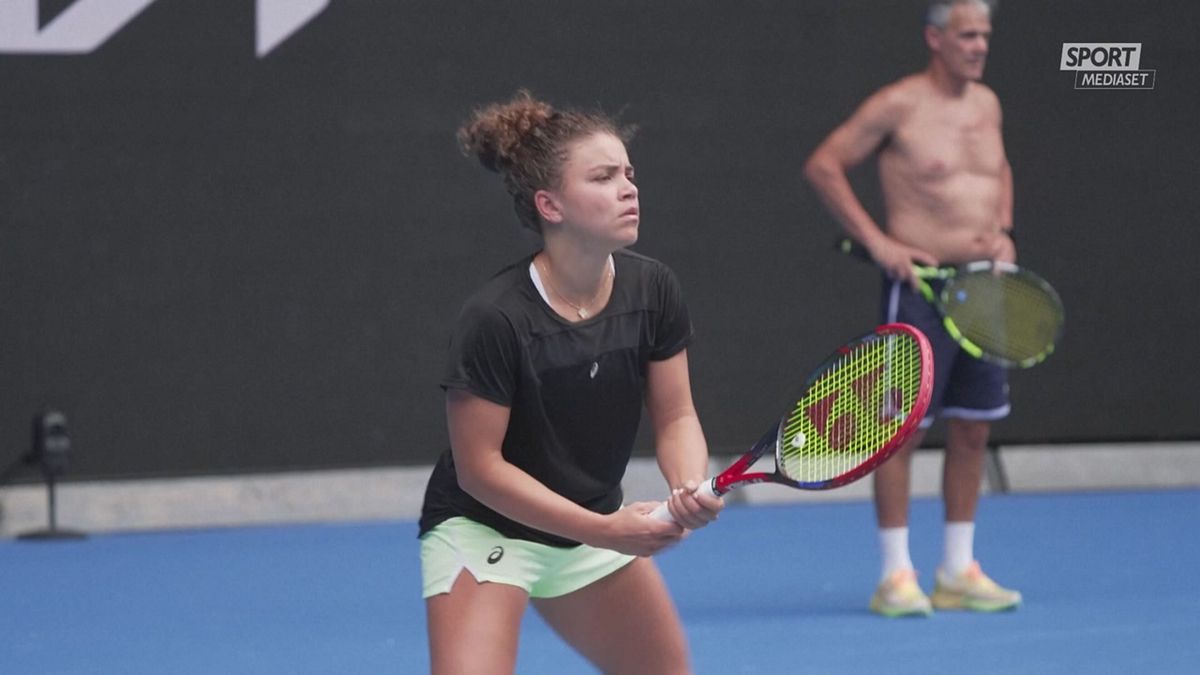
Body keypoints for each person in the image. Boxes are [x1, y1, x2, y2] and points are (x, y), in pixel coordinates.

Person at [418, 90, 724, 673]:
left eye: (628, 174)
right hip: (487, 531)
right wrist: (605, 531)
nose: (629, 188)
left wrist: (686, 486)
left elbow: (677, 416)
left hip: (592, 526)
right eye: (604, 177)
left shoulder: (653, 290)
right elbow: (480, 470)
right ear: (550, 205)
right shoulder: (497, 317)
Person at [804, 0, 1022, 617]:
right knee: (901, 432)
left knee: (975, 427)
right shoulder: (898, 104)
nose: (979, 45)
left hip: (985, 286)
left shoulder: (988, 104)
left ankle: (957, 569)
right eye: (967, 34)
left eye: (985, 34)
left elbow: (997, 169)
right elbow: (824, 164)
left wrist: (1004, 230)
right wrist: (880, 244)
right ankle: (896, 575)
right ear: (935, 38)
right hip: (921, 289)